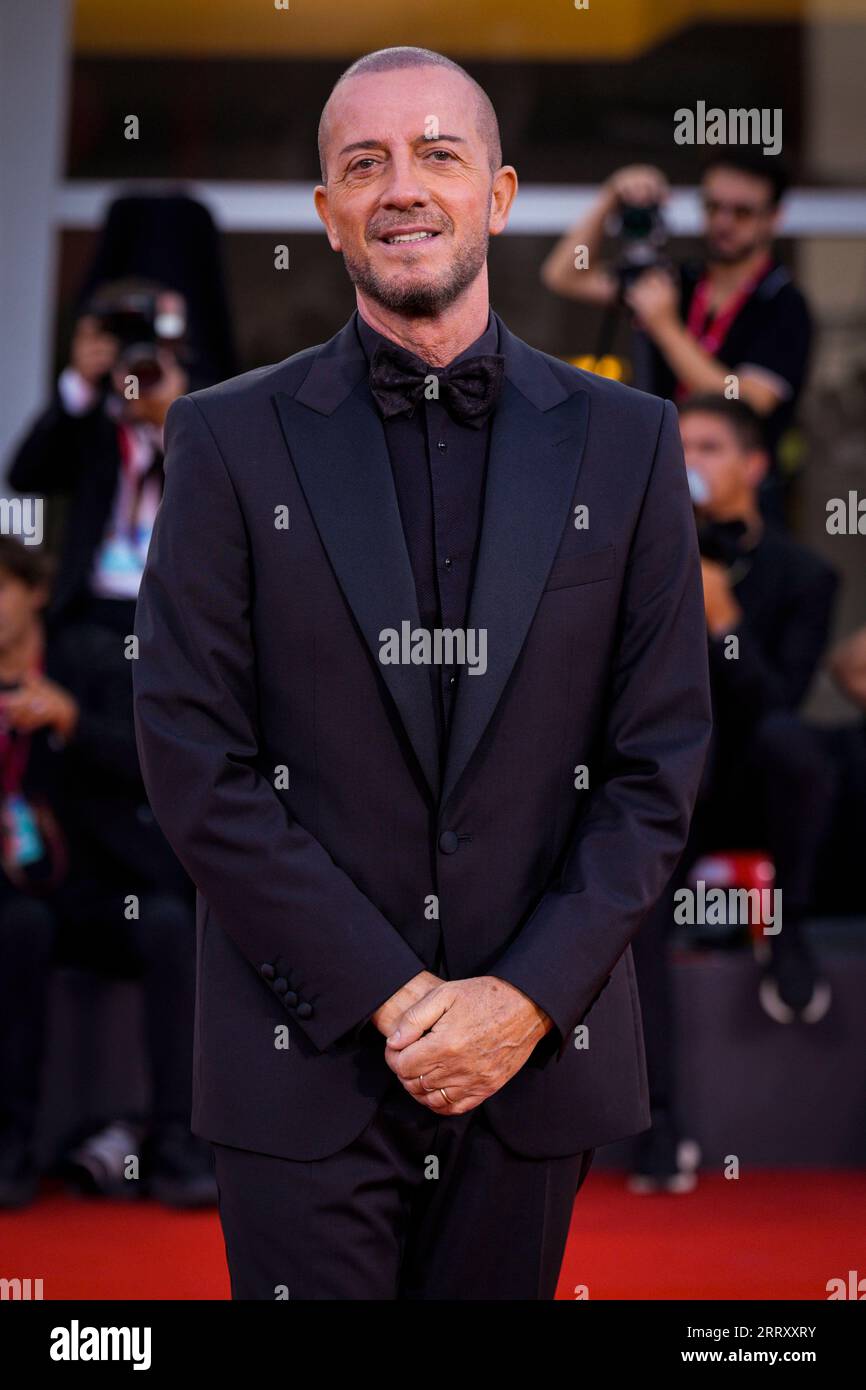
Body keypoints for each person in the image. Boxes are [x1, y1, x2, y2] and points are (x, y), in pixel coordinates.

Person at [132, 46, 712, 1300]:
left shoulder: (628, 441)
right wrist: (392, 995)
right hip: (303, 1057)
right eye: (363, 164)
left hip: (531, 1063)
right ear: (327, 213)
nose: (402, 186)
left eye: (437, 154)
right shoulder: (226, 440)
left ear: (497, 195)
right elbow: (194, 759)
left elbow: (656, 765)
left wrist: (520, 1000)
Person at [629, 395, 837, 1191]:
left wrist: (724, 624)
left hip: (759, 786)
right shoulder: (642, 567)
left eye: (709, 446)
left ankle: (790, 931)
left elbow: (776, 703)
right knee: (629, 904)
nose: (691, 463)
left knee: (798, 746)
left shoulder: (801, 575)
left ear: (751, 466)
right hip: (672, 797)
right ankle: (661, 1128)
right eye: (679, 448)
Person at [0, 538, 211, 1209]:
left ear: (34, 591)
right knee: (20, 927)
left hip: (103, 887)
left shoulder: (89, 659)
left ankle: (179, 1149)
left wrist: (71, 721)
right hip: (16, 897)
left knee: (171, 925)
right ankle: (12, 1154)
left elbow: (157, 768)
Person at [540, 155, 812, 521]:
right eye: (714, 207)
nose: (724, 222)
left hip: (739, 506)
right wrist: (610, 198)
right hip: (661, 486)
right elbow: (564, 275)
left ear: (774, 217)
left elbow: (744, 399)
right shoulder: (679, 280)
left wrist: (665, 327)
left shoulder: (785, 305)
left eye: (743, 212)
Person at [8, 278, 189, 635]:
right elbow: (25, 476)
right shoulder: (89, 423)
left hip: (169, 613)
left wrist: (173, 421)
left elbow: (222, 493)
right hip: (90, 612)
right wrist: (80, 383)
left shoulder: (196, 413)